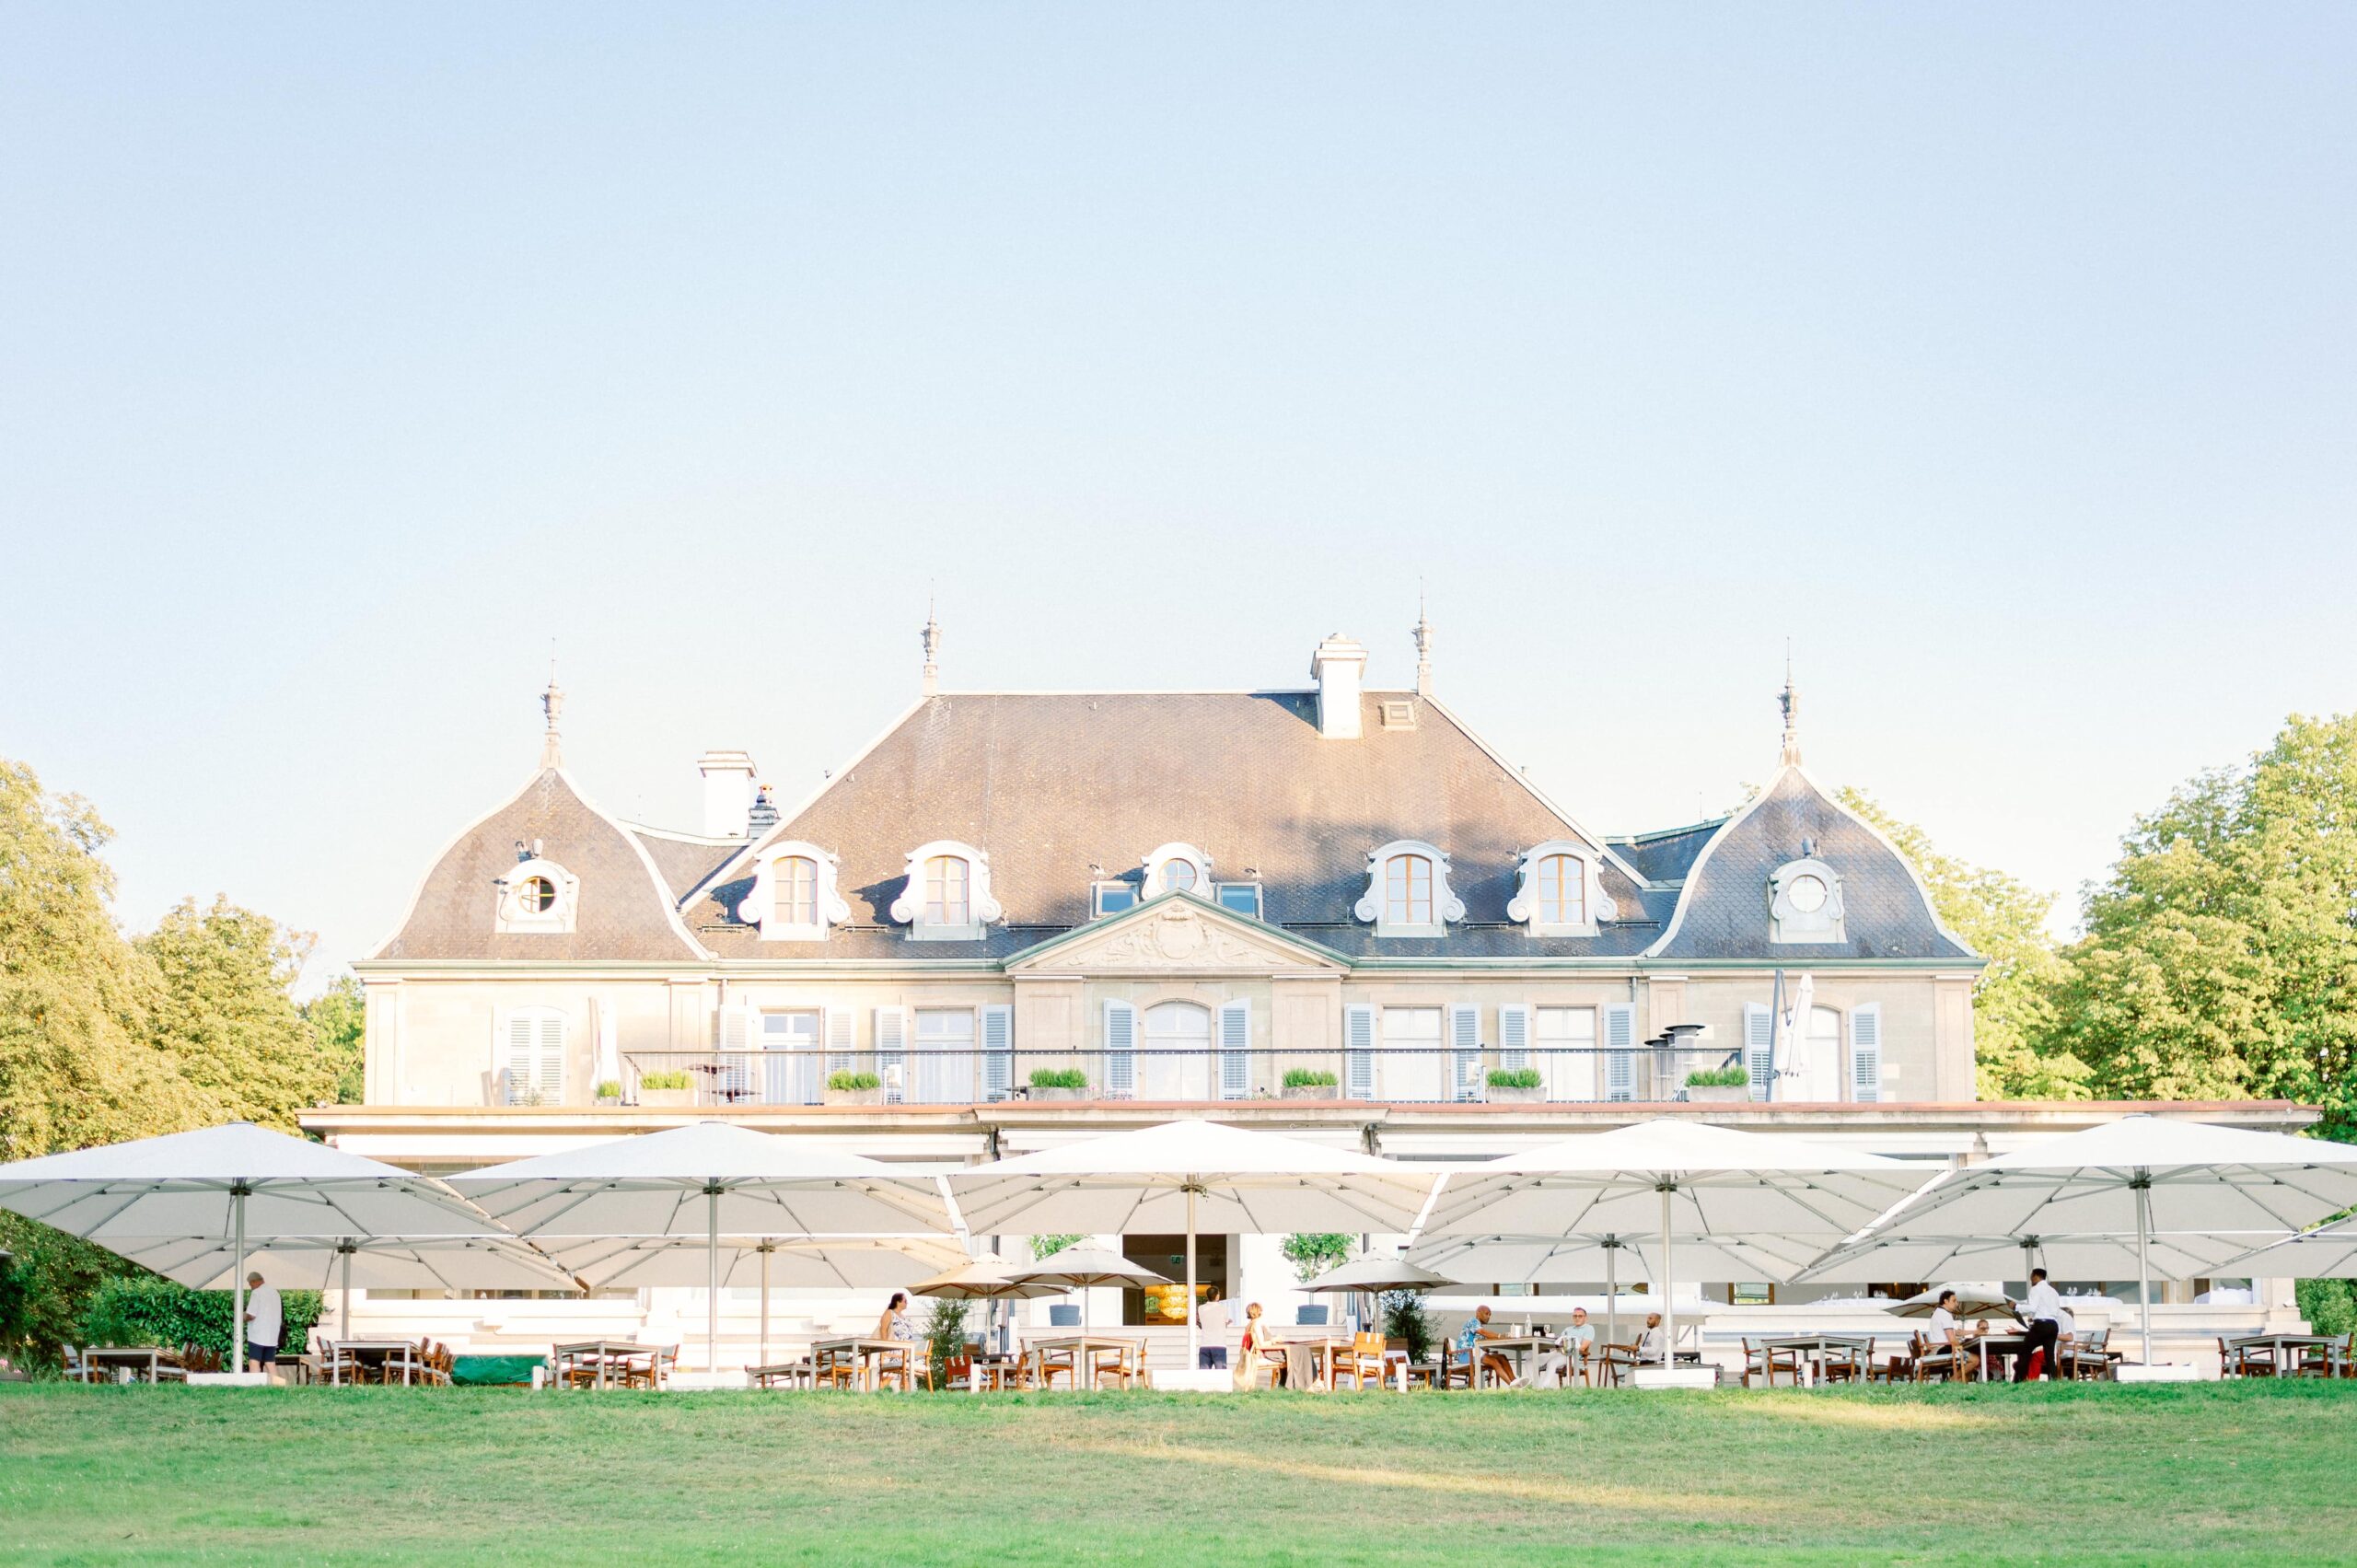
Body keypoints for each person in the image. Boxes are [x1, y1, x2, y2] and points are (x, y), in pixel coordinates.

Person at [2015, 1268, 2063, 1381]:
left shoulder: (2036, 1289)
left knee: (2024, 1351)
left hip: (2041, 1325)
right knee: (2049, 1356)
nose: (2031, 1280)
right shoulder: (2053, 1291)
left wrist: (2016, 1307)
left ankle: (2020, 1380)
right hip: (2053, 1325)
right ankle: (2054, 1380)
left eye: (2031, 1277)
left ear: (2036, 1276)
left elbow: (2032, 1307)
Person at [1532, 1307, 1595, 1388]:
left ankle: (1544, 1387)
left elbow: (1583, 1347)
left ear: (1585, 1318)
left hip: (1573, 1356)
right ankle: (1536, 1385)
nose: (1577, 1318)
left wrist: (1567, 1348)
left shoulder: (1589, 1328)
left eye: (1580, 1316)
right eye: (1575, 1316)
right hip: (1559, 1353)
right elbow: (1558, 1343)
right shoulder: (1568, 1329)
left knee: (1552, 1361)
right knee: (1532, 1359)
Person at [1456, 1304, 1515, 1388]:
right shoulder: (1473, 1321)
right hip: (1466, 1354)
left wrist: (1486, 1348)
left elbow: (1482, 1344)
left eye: (1490, 1315)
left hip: (1474, 1353)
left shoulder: (1479, 1326)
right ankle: (1513, 1386)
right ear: (1478, 1313)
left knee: (1502, 1357)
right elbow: (1484, 1332)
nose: (1488, 1317)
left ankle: (1515, 1381)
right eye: (1486, 1314)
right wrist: (1499, 1336)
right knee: (1494, 1361)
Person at [1928, 1289, 1975, 1380]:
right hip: (1943, 1350)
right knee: (1975, 1360)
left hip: (1939, 1348)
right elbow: (1952, 1339)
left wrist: (1975, 1332)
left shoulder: (1938, 1312)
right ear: (1945, 1301)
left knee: (1969, 1361)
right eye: (1954, 1301)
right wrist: (1962, 1347)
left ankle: (1957, 1383)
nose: (1957, 1304)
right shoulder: (1945, 1315)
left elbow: (1954, 1333)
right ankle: (1952, 1380)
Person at [243, 1272, 282, 1376]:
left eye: (251, 1285)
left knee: (254, 1361)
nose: (251, 1287)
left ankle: (254, 1387)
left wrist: (242, 1317)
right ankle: (277, 1387)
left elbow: (251, 1315)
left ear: (255, 1281)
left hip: (258, 1334)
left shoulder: (257, 1293)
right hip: (272, 1334)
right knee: (270, 1362)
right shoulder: (275, 1293)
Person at [1235, 1301, 1272, 1391]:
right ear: (1258, 1312)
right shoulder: (1257, 1324)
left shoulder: (1248, 1326)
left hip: (1246, 1355)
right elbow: (1262, 1344)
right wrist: (1275, 1340)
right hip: (1256, 1356)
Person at [1196, 1286, 1231, 1371]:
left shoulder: (1201, 1308)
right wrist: (1226, 1323)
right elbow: (1224, 1323)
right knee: (1221, 1375)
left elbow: (1202, 1323)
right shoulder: (1223, 1308)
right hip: (1219, 1344)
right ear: (1217, 1296)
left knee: (1204, 1376)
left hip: (1204, 1345)